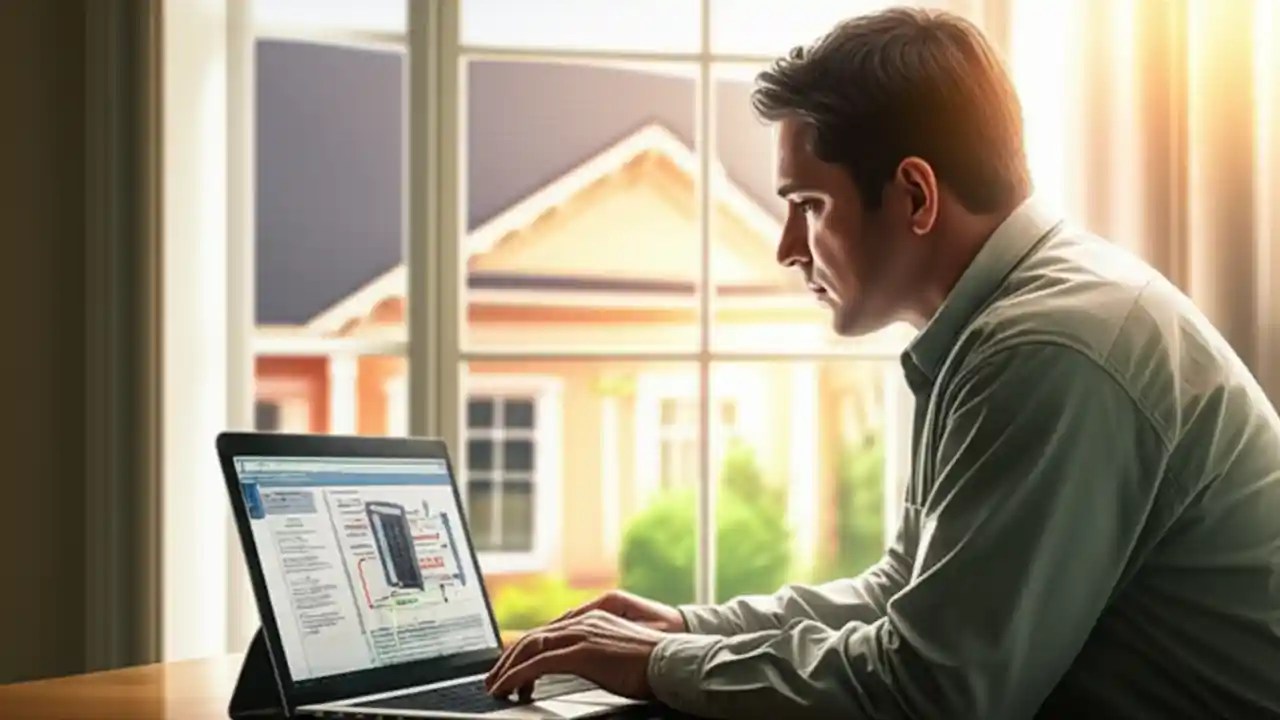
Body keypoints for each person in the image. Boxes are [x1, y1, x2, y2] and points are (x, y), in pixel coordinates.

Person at [484, 7, 1280, 718]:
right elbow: (904, 593)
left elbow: (935, 689)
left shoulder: (1049, 349)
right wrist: (689, 628)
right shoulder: (1006, 323)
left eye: (807, 205)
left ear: (914, 195)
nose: (787, 248)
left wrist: (662, 666)